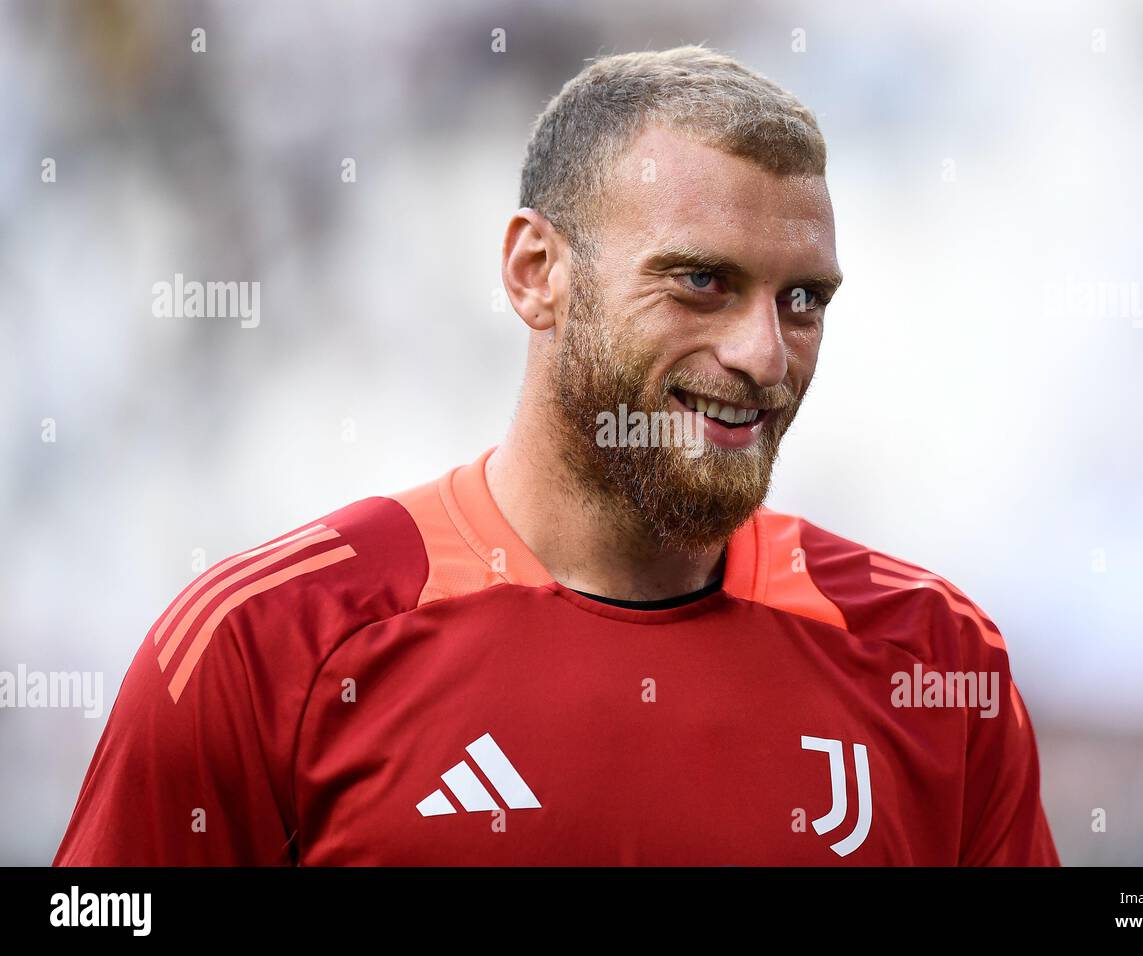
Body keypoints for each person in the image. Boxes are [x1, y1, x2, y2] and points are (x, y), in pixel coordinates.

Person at [54, 46, 1058, 865]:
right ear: (537, 273)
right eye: (701, 281)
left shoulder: (934, 660)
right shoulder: (263, 650)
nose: (763, 354)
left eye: (802, 300)